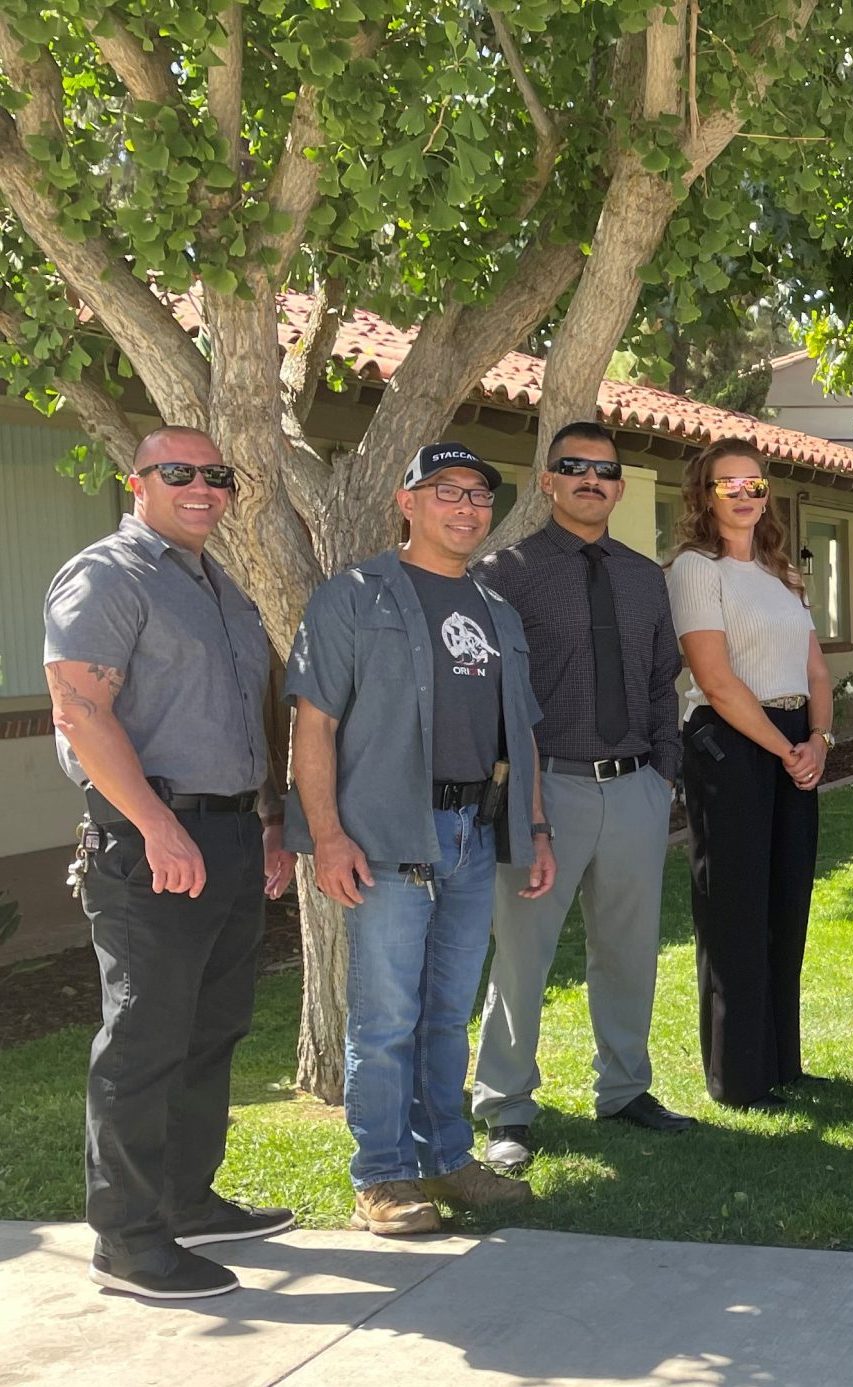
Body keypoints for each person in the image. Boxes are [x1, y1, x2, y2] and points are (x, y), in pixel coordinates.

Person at [45, 427, 298, 1300]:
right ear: (138, 482)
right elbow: (79, 709)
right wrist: (154, 824)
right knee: (146, 1039)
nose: (202, 487)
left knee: (213, 1027)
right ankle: (127, 1241)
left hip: (227, 835)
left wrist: (267, 818)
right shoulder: (108, 573)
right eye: (178, 472)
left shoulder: (218, 586)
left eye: (216, 474)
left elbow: (244, 714)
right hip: (150, 837)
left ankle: (188, 1199)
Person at [287, 441, 550, 1236]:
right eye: (447, 491)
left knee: (445, 1014)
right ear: (407, 501)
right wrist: (327, 836)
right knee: (384, 1017)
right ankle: (382, 1176)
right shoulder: (352, 598)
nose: (467, 506)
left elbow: (524, 733)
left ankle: (445, 1156)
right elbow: (313, 725)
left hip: (474, 832)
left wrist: (532, 827)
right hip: (388, 837)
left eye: (480, 493)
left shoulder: (496, 612)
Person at [472, 423, 693, 1169]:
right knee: (523, 955)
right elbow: (494, 692)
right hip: (546, 791)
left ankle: (625, 1087)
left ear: (620, 486)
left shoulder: (642, 576)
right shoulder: (508, 572)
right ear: (548, 479)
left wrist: (664, 767)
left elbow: (665, 678)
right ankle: (505, 1104)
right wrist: (519, 792)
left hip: (635, 787)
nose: (590, 480)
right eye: (574, 468)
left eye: (604, 470)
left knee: (629, 952)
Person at [667, 438, 835, 1109]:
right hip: (730, 742)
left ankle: (780, 1061)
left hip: (793, 738)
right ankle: (737, 1076)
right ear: (704, 494)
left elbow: (816, 669)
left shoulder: (781, 572)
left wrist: (818, 739)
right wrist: (780, 746)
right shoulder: (693, 569)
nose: (744, 493)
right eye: (727, 483)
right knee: (734, 907)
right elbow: (714, 676)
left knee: (785, 902)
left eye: (755, 483)